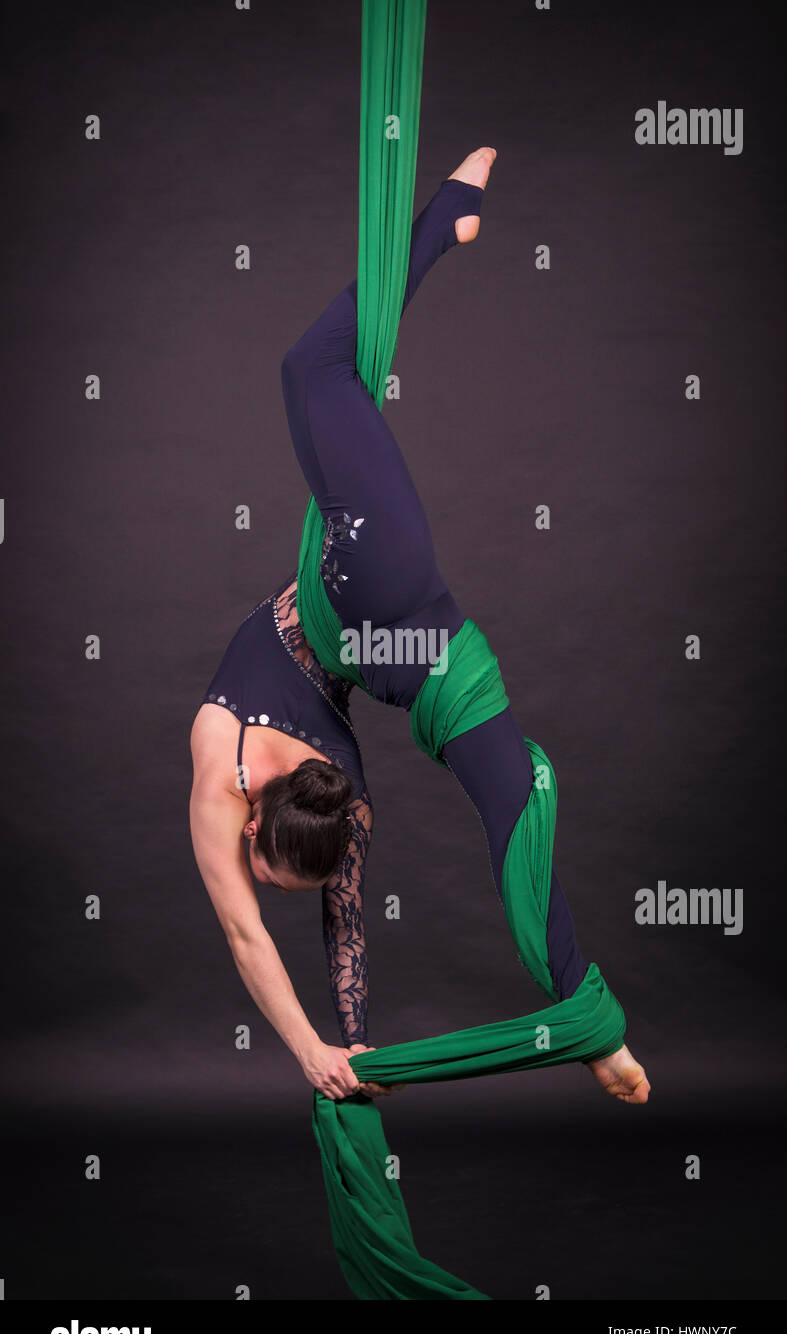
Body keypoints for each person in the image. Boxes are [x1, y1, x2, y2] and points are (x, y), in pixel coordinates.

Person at [189, 148, 651, 1108]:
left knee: (515, 825)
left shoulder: (258, 778)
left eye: (267, 875)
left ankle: (447, 216)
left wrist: (326, 1052)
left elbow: (292, 934)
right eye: (278, 878)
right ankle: (440, 220)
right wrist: (325, 1051)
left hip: (402, 627)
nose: (264, 886)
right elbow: (293, 935)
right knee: (311, 371)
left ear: (266, 821)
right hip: (396, 621)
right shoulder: (289, 804)